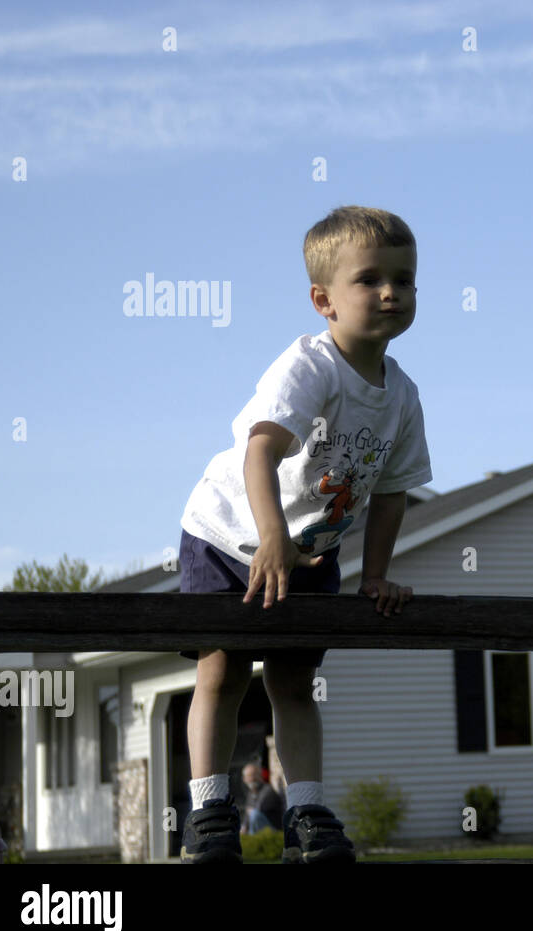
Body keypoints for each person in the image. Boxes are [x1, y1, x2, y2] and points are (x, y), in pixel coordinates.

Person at [177, 206, 432, 863]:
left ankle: (307, 814)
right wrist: (268, 536)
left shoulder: (401, 396)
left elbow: (393, 492)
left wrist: (373, 575)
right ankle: (209, 812)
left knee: (293, 683)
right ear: (323, 300)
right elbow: (260, 451)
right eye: (369, 279)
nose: (390, 293)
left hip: (310, 553)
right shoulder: (310, 366)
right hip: (229, 535)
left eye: (404, 280)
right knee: (223, 668)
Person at [238, 762, 284, 834]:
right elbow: (246, 818)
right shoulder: (250, 794)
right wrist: (243, 827)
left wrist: (250, 811)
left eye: (254, 775)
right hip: (257, 829)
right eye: (249, 776)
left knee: (254, 814)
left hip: (273, 830)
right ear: (244, 779)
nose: (252, 779)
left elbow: (258, 809)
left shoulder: (268, 790)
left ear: (260, 775)